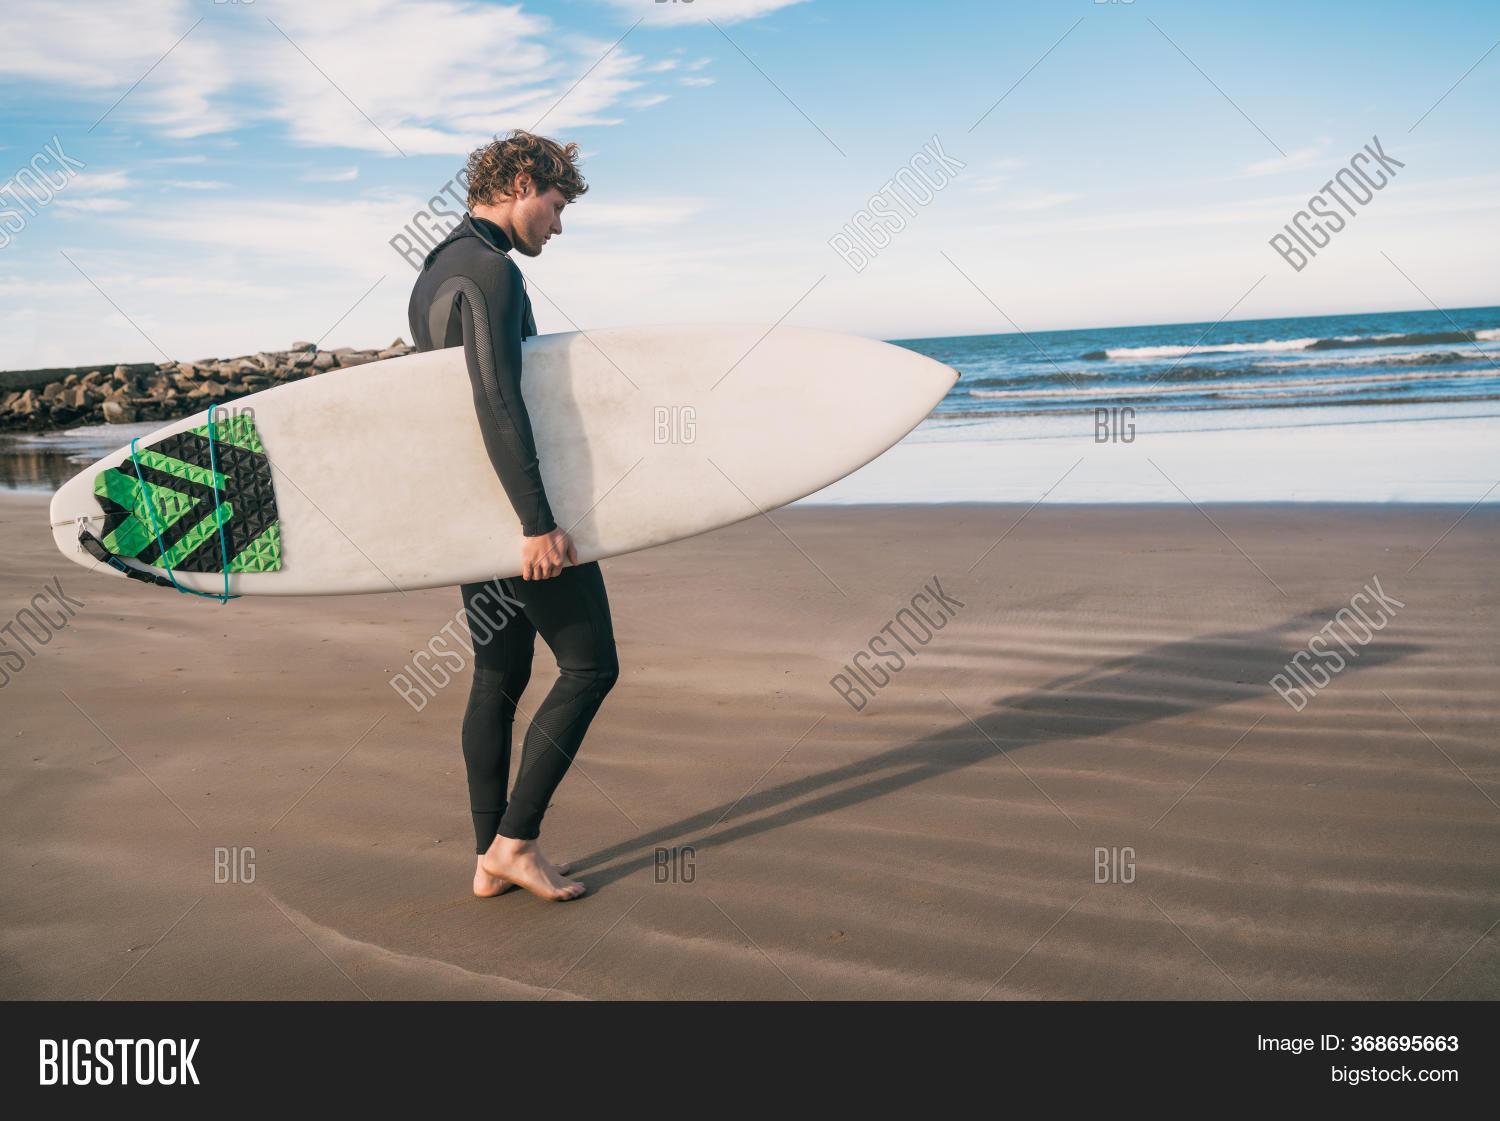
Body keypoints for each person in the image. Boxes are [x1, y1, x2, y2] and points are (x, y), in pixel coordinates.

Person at [407, 130, 618, 902]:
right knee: (592, 667)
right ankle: (514, 842)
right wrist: (536, 520)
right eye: (556, 207)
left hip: (473, 515)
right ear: (523, 182)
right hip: (516, 511)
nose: (558, 226)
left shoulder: (435, 271)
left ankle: (486, 853)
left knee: (499, 673)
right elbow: (498, 398)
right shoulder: (491, 273)